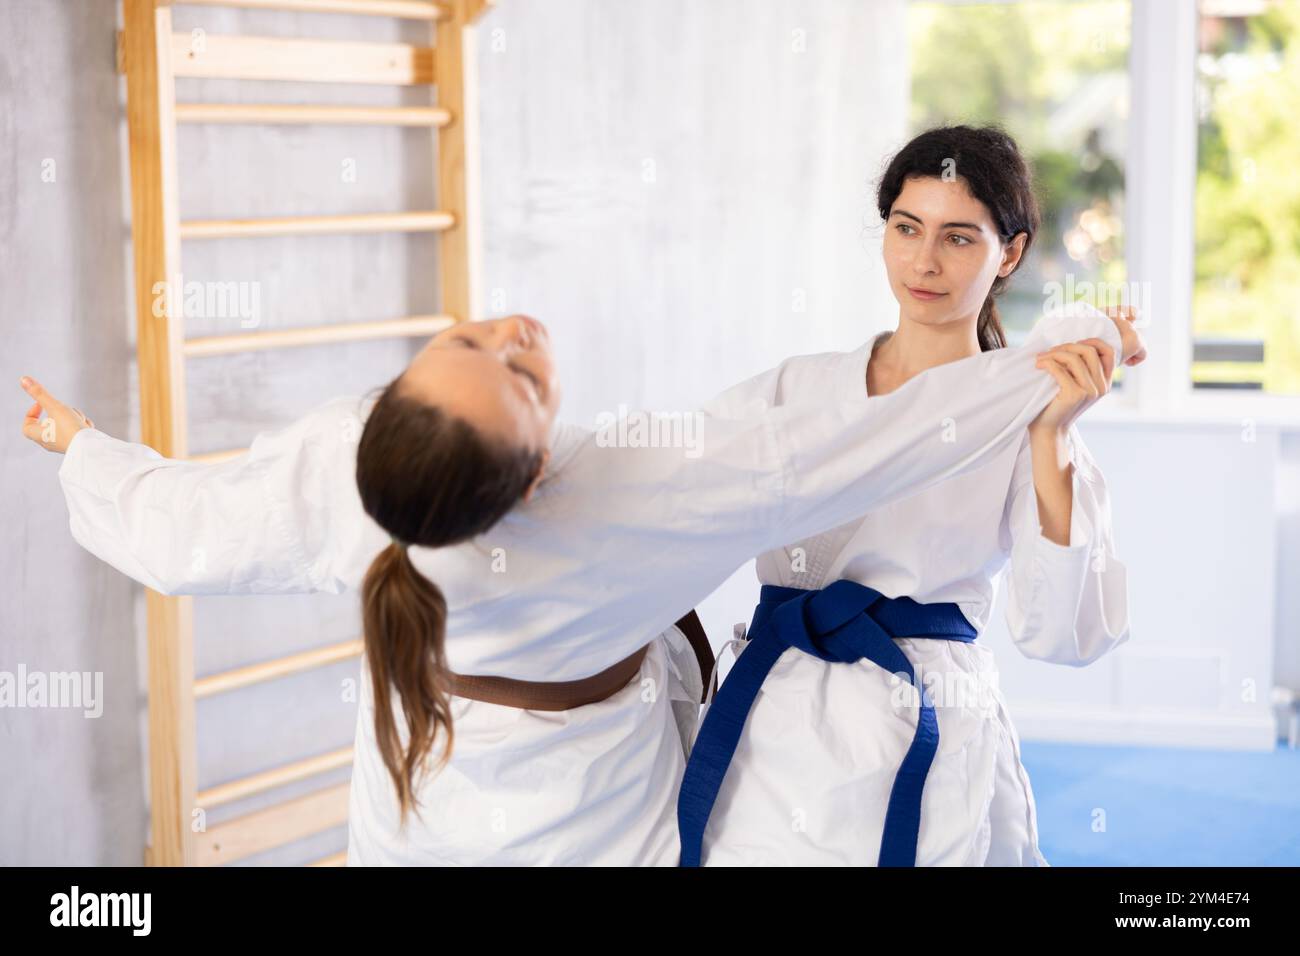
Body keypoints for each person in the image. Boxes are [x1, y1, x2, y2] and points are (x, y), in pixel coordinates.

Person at [21, 299, 1140, 864]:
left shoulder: (341, 459)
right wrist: (1035, 381)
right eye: (514, 366)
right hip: (597, 812)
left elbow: (180, 535)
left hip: (423, 776)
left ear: (392, 397)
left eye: (477, 338)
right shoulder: (632, 491)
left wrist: (84, 448)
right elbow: (849, 448)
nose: (515, 329)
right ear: (541, 463)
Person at [679, 124, 1144, 867]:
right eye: (907, 228)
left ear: (1011, 253)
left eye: (960, 238)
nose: (924, 261)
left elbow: (1064, 634)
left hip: (929, 711)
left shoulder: (1025, 415)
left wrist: (1051, 435)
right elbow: (672, 497)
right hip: (778, 711)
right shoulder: (795, 389)